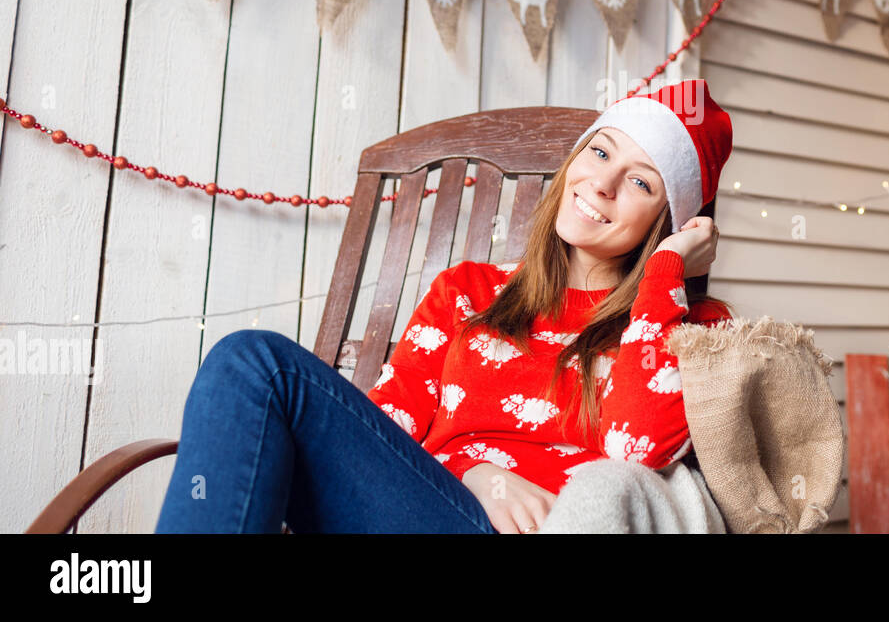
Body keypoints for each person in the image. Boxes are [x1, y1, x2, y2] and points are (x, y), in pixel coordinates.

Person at [154, 77, 734, 533]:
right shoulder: (469, 291)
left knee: (256, 364)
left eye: (641, 183)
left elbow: (634, 450)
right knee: (253, 365)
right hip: (428, 508)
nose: (603, 184)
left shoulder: (689, 325)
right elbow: (388, 434)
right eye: (600, 153)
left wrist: (667, 272)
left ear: (671, 221)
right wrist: (476, 475)